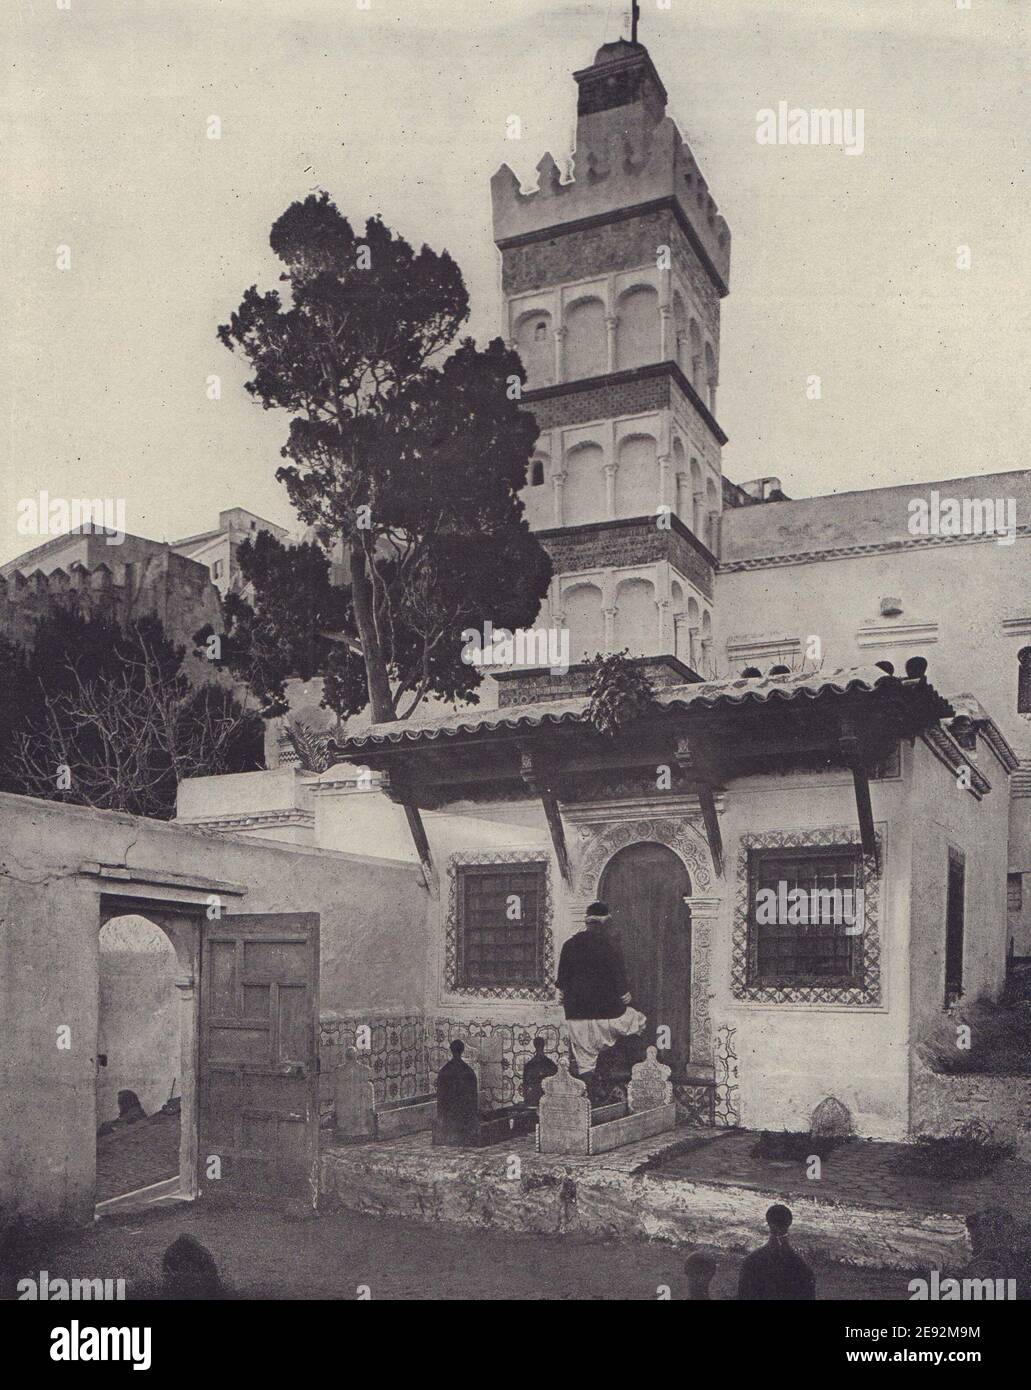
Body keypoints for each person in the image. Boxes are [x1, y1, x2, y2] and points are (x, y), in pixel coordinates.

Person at [555, 900, 646, 1091]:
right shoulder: (611, 945)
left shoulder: (569, 945)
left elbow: (561, 985)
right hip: (608, 1017)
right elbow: (622, 986)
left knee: (585, 1063)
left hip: (577, 1018)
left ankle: (590, 1098)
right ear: (605, 923)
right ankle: (627, 1079)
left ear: (586, 922)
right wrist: (625, 995)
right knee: (638, 1021)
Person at [737, 1204, 816, 1300]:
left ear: (768, 1223)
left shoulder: (751, 1262)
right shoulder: (802, 1267)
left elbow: (743, 1295)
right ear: (789, 1223)